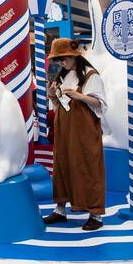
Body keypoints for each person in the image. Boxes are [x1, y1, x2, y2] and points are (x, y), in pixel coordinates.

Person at [43, 38, 106, 231]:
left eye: (63, 59)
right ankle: (60, 209)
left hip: (85, 129)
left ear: (74, 56)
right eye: (58, 60)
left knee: (88, 166)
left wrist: (80, 96)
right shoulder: (61, 77)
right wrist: (53, 94)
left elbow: (101, 104)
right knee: (62, 165)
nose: (61, 63)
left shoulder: (90, 75)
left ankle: (95, 213)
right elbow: (57, 106)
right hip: (63, 128)